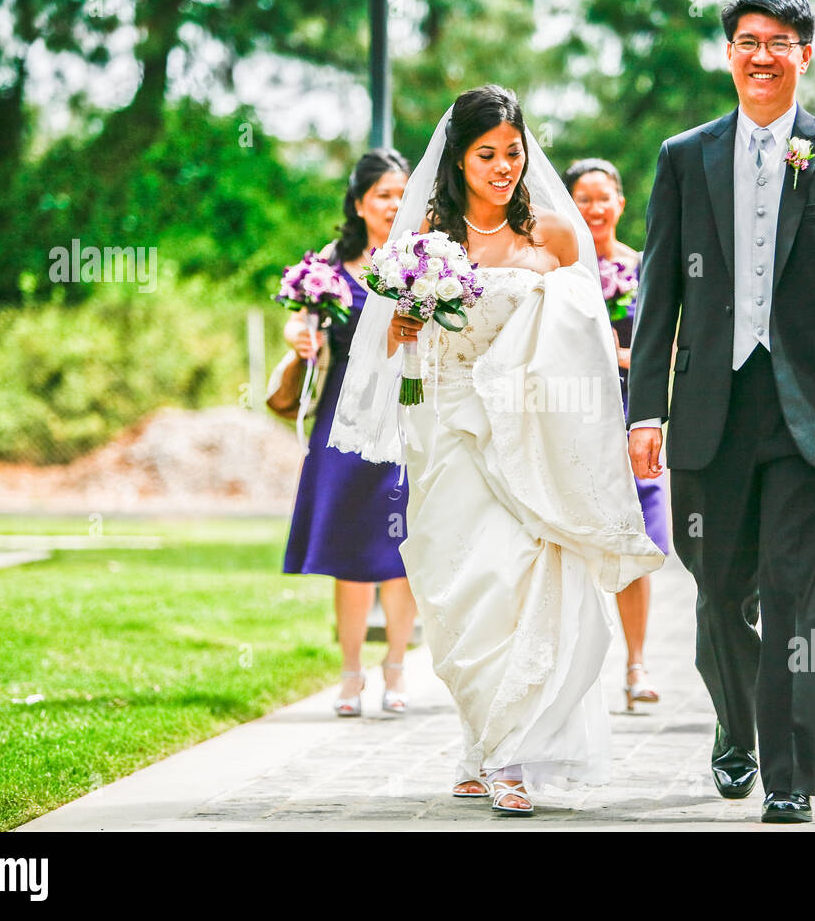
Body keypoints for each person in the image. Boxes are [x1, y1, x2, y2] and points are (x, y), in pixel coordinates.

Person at [329, 85, 663, 817]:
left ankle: (512, 753)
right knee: (463, 590)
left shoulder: (556, 238)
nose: (504, 166)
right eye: (487, 154)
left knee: (523, 575)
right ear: (458, 159)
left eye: (513, 151)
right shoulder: (422, 241)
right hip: (447, 429)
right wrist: (408, 326)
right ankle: (478, 741)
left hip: (533, 435)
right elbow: (388, 344)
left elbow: (587, 348)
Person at [627, 0, 815, 824]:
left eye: (779, 42)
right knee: (715, 590)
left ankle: (788, 778)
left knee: (793, 593)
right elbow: (658, 292)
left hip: (811, 413)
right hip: (709, 408)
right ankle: (735, 718)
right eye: (747, 40)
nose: (761, 54)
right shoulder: (685, 155)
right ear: (728, 53)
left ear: (805, 56)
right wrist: (646, 411)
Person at [282, 149, 418, 718]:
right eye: (383, 194)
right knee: (349, 550)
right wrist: (298, 336)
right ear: (360, 202)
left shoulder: (423, 261)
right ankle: (349, 675)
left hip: (407, 414)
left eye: (402, 193)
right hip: (342, 420)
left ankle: (396, 672)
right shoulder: (327, 271)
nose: (393, 204)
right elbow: (299, 327)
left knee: (401, 548)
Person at [565, 157, 671, 710]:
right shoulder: (559, 269)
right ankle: (575, 674)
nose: (594, 208)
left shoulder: (645, 265)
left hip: (633, 419)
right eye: (582, 198)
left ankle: (636, 664)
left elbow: (671, 347)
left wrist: (619, 355)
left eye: (603, 197)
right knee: (573, 542)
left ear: (621, 204)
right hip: (571, 416)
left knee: (635, 537)